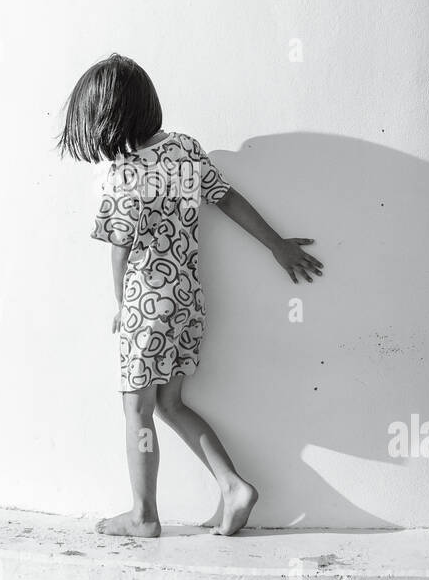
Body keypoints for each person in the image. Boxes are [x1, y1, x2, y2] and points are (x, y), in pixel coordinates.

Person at [58, 53, 323, 537]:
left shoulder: (123, 173)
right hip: (188, 301)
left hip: (146, 303)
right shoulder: (185, 149)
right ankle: (233, 486)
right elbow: (226, 198)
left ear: (106, 116)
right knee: (171, 403)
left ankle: (143, 516)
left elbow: (120, 252)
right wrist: (277, 246)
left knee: (137, 409)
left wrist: (122, 306)